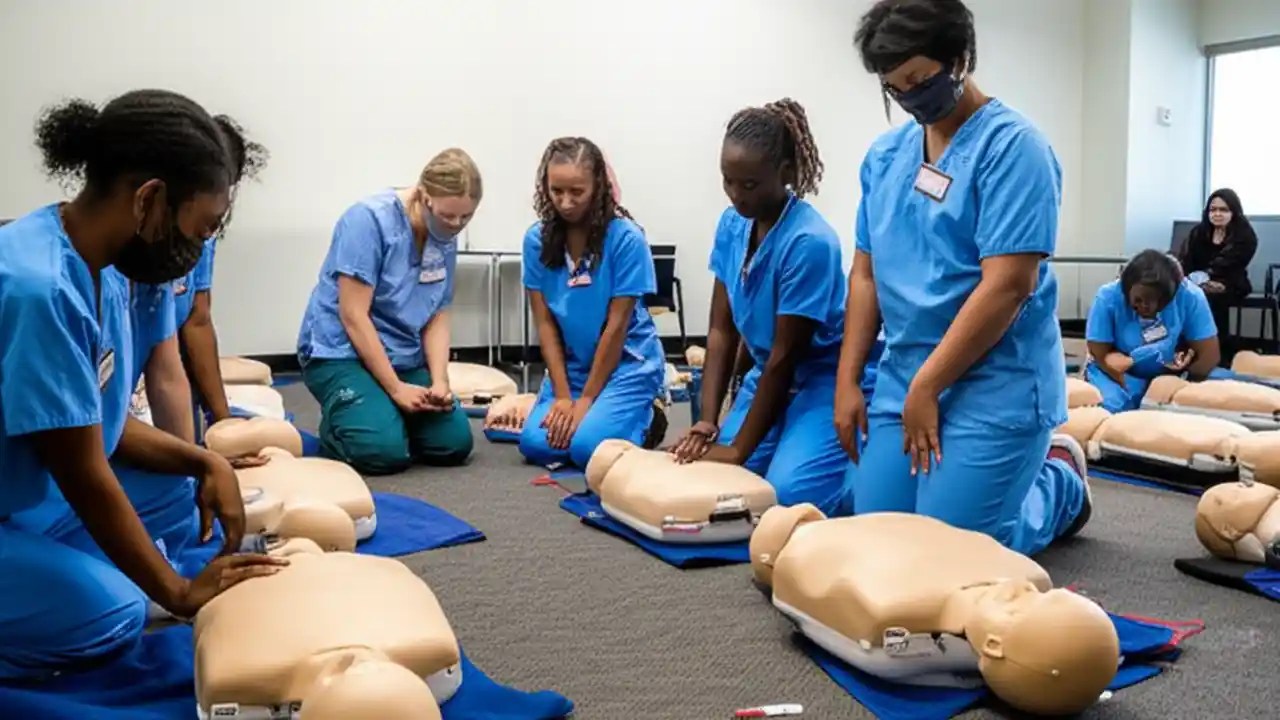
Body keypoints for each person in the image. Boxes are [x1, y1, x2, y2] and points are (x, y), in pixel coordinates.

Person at [0, 89, 285, 680]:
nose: (201, 248)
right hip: (36, 493)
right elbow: (82, 469)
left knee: (181, 492)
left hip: (29, 492)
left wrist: (206, 463)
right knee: (118, 614)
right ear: (150, 199)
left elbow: (97, 422)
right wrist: (177, 593)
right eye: (203, 228)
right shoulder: (40, 286)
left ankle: (50, 577)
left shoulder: (98, 266)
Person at [839, 0, 1090, 557]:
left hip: (993, 382)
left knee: (947, 556)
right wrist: (849, 379)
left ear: (960, 59)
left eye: (920, 81)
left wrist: (930, 385)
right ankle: (1012, 489)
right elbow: (865, 274)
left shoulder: (1014, 149)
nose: (909, 99)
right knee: (877, 545)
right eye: (894, 88)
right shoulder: (885, 158)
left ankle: (1059, 488)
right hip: (905, 377)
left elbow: (1008, 286)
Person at [668, 99, 869, 517]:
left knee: (786, 493)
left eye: (750, 184)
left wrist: (738, 448)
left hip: (821, 380)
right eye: (728, 181)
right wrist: (708, 421)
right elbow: (721, 331)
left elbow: (785, 357)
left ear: (786, 173)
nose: (737, 196)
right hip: (768, 375)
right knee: (722, 483)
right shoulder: (731, 224)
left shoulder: (809, 242)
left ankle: (866, 473)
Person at [297, 150, 479, 475]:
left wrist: (440, 381)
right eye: (448, 216)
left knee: (453, 443)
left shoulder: (444, 233)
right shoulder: (368, 221)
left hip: (401, 354)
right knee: (382, 453)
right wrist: (395, 389)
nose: (455, 226)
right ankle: (342, 427)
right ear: (423, 195)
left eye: (465, 218)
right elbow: (353, 315)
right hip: (340, 352)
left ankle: (382, 415)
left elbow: (438, 312)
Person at [518, 137, 667, 468]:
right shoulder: (535, 241)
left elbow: (617, 327)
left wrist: (585, 401)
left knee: (586, 448)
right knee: (537, 444)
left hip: (627, 364)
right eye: (557, 191)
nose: (566, 202)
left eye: (577, 192)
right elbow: (544, 324)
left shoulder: (626, 239)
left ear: (598, 187)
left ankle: (648, 418)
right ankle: (601, 419)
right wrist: (561, 396)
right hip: (573, 366)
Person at [1084, 250, 1219, 412]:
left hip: (1174, 373)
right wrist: (1125, 382)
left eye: (1159, 302)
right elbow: (1100, 354)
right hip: (1118, 374)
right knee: (1112, 405)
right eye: (1138, 301)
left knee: (1204, 404)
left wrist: (1183, 379)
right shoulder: (1108, 297)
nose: (1148, 308)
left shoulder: (1190, 296)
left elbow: (1208, 356)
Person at [1177, 188, 1257, 365]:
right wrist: (1191, 278)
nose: (1217, 214)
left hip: (1231, 282)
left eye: (1223, 210)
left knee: (1212, 297)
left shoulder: (1245, 234)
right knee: (1184, 294)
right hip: (1197, 281)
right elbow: (1185, 259)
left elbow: (1231, 264)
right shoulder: (1199, 232)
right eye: (1213, 210)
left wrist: (1208, 279)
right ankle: (1184, 349)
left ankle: (1216, 352)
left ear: (1233, 212)